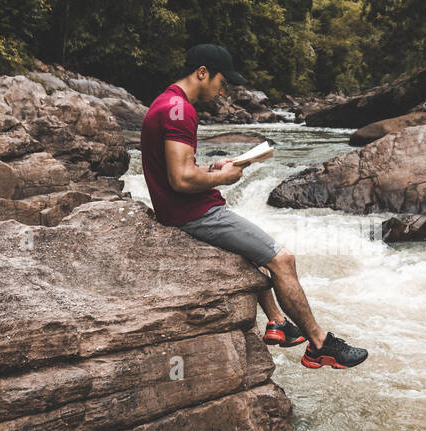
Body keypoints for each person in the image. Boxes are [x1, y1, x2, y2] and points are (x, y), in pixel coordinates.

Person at [140, 43, 368, 369]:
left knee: (254, 253)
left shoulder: (166, 103)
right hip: (194, 214)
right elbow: (179, 180)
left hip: (186, 209)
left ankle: (277, 323)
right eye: (221, 81)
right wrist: (224, 179)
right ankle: (319, 344)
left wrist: (211, 168)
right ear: (202, 72)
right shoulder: (181, 110)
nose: (223, 89)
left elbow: (176, 170)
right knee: (282, 259)